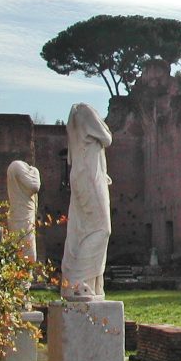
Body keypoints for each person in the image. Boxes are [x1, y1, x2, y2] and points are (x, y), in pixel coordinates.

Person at [62, 103, 113, 299]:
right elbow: (107, 139)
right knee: (101, 229)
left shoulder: (74, 122)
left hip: (82, 174)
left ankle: (89, 283)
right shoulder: (84, 110)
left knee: (82, 228)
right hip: (89, 176)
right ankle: (79, 281)